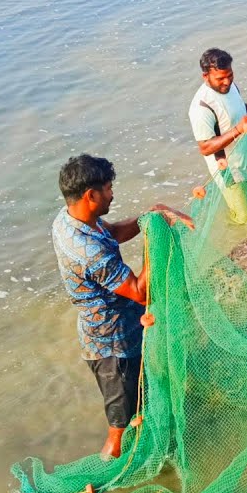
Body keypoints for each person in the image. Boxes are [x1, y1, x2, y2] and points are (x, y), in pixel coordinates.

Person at [50, 154, 192, 459]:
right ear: (91, 195)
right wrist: (154, 238)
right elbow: (141, 293)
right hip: (112, 347)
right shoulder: (87, 251)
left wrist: (147, 219)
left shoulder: (68, 218)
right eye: (109, 188)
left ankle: (148, 446)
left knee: (141, 398)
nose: (113, 194)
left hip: (118, 329)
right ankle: (110, 469)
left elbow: (111, 232)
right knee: (120, 422)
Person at [188, 48, 247, 223]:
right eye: (220, 78)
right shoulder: (201, 107)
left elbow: (240, 111)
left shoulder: (231, 87)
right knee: (245, 219)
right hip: (229, 172)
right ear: (205, 77)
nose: (226, 82)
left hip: (246, 160)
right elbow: (205, 147)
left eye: (230, 75)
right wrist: (238, 129)